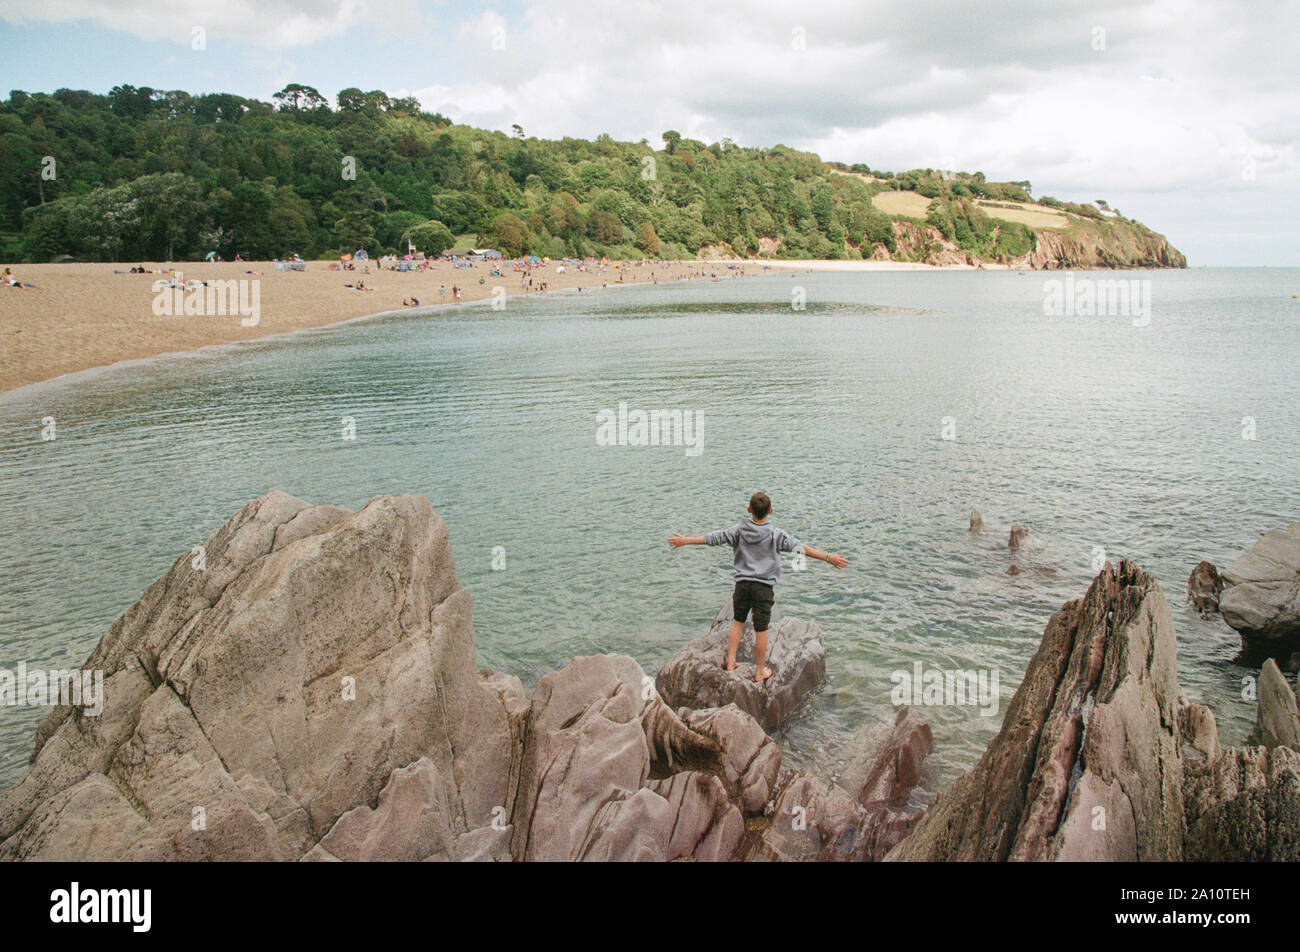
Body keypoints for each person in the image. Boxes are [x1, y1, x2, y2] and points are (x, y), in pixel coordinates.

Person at [669, 492, 846, 682]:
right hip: (763, 587)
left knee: (737, 622)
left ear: (748, 510)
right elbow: (802, 549)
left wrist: (685, 540)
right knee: (761, 630)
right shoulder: (775, 534)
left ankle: (730, 662)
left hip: (742, 584)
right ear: (770, 511)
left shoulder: (738, 531)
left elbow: (713, 538)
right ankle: (760, 671)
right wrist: (829, 558)